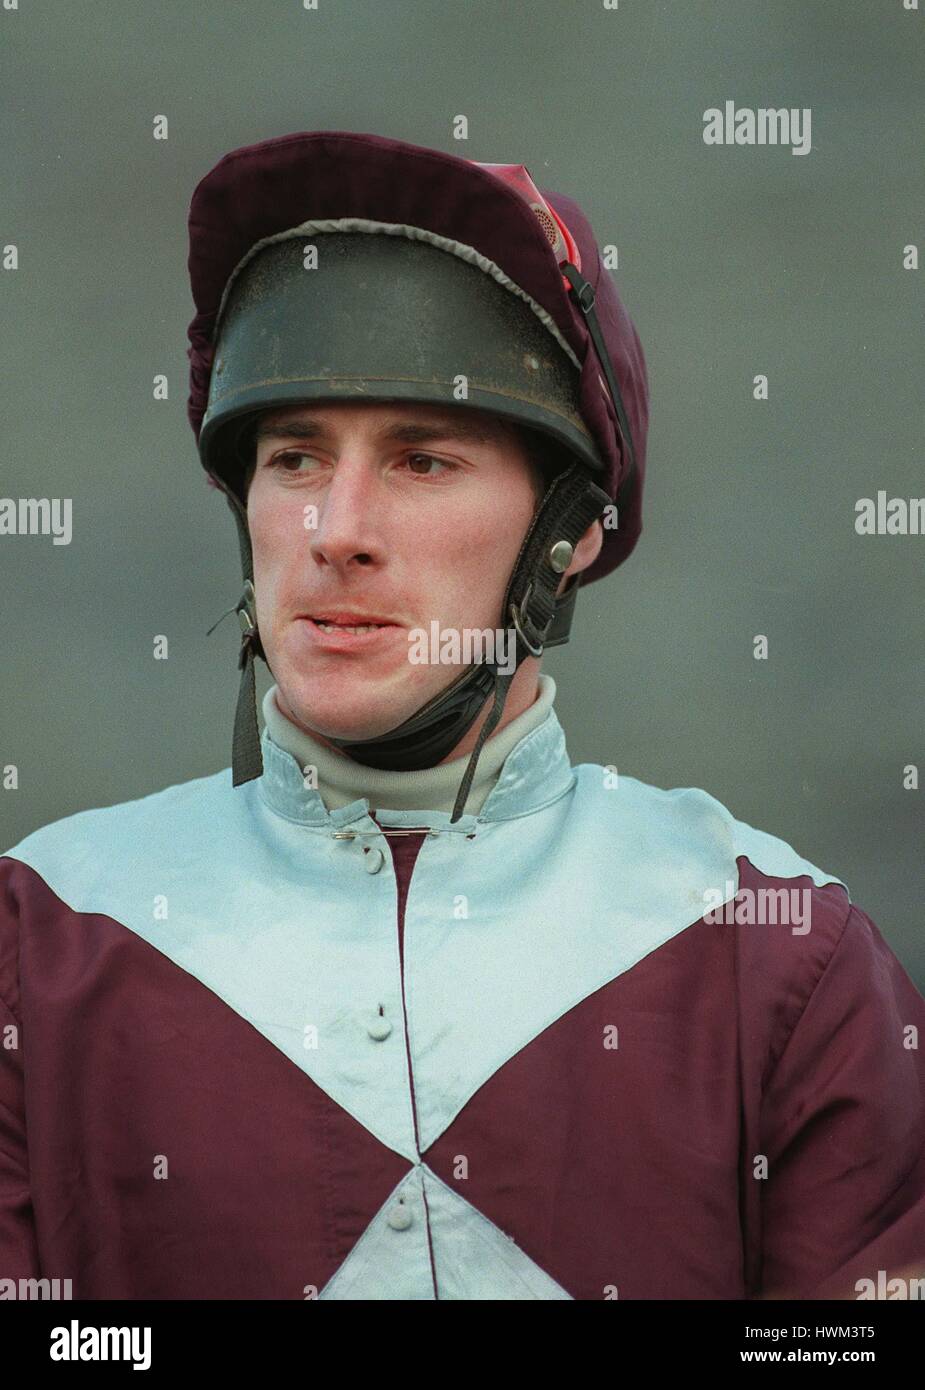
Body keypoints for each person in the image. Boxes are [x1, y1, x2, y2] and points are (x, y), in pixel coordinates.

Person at [1, 130, 923, 1302]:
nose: (335, 529)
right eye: (293, 458)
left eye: (422, 460)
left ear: (569, 536)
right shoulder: (34, 944)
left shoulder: (785, 951)